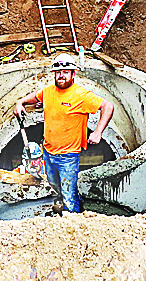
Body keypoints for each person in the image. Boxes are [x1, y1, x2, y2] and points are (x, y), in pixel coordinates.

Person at [15, 53, 115, 214]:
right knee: (55, 185)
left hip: (68, 156)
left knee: (68, 195)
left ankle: (73, 219)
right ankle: (76, 201)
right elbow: (36, 96)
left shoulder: (80, 95)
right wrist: (21, 102)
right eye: (58, 72)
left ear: (73, 74)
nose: (61, 75)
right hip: (48, 151)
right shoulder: (48, 92)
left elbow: (108, 106)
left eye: (66, 72)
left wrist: (98, 132)